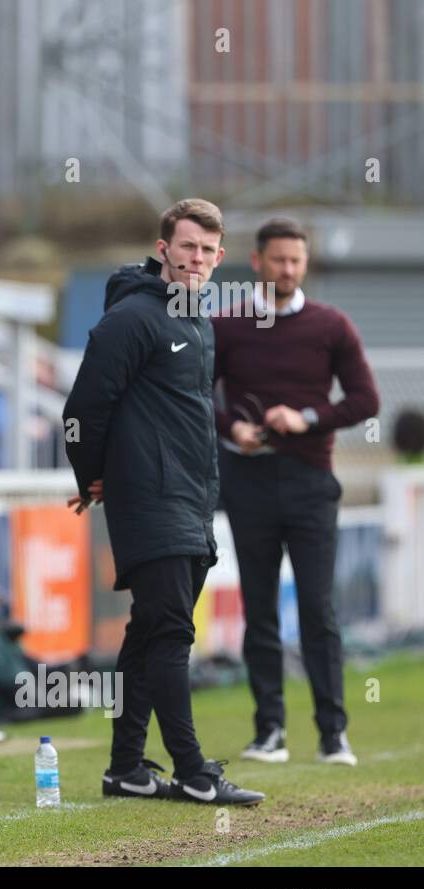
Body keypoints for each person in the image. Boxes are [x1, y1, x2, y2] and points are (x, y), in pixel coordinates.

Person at [62, 198, 264, 806]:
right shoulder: (133, 318)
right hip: (153, 499)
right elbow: (81, 411)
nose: (196, 258)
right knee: (173, 634)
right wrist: (91, 476)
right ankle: (195, 773)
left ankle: (125, 768)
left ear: (219, 257)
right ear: (164, 250)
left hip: (193, 499)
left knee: (148, 635)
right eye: (186, 247)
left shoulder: (198, 319)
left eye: (207, 250)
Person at [213, 218, 379, 766]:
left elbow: (365, 400)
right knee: (258, 611)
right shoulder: (227, 325)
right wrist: (230, 426)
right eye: (278, 259)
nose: (287, 269)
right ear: (256, 261)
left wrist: (305, 417)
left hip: (311, 483)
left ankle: (334, 734)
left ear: (305, 264)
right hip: (248, 482)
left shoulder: (332, 326)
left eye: (296, 260)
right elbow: (195, 393)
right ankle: (270, 733)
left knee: (317, 609)